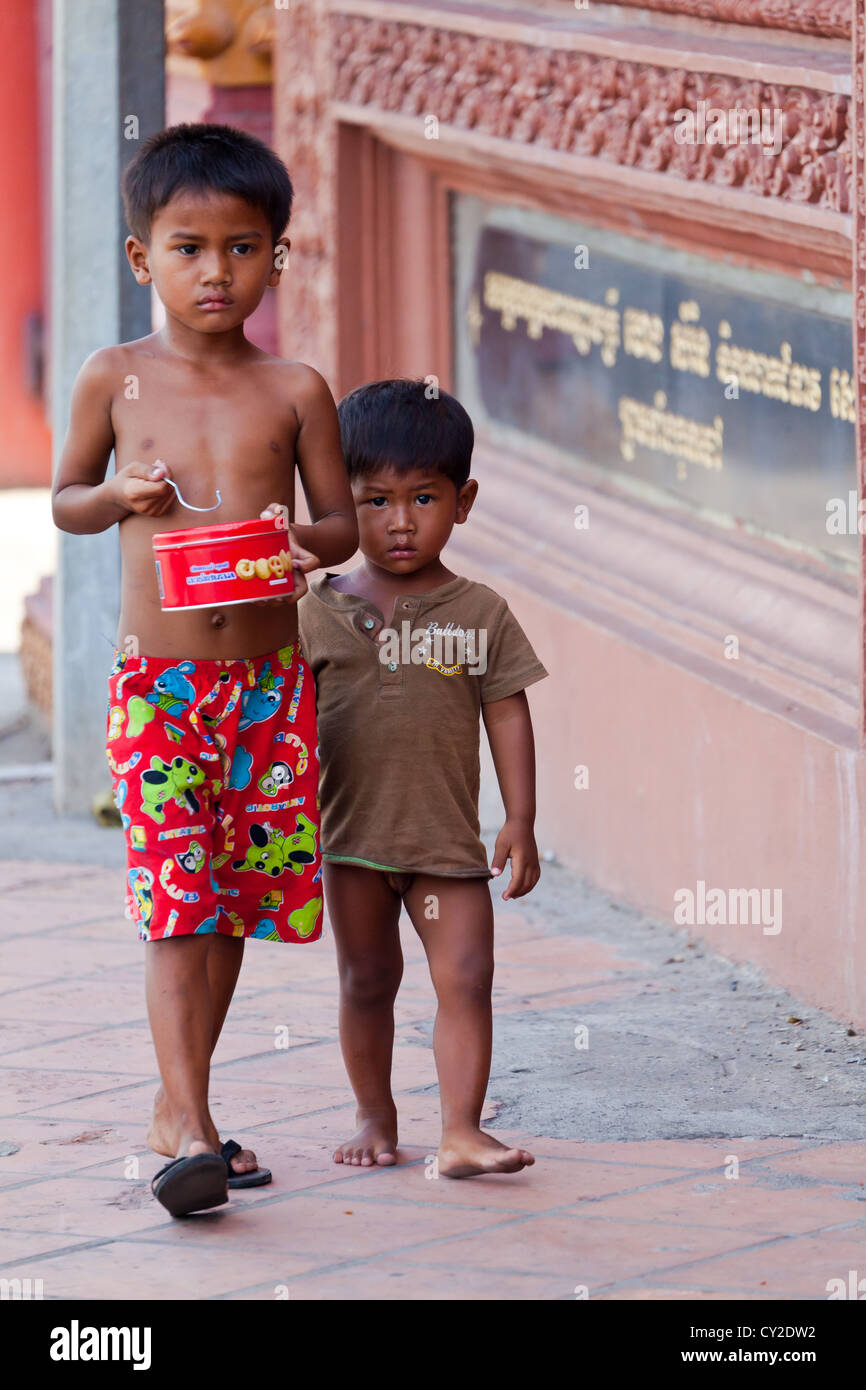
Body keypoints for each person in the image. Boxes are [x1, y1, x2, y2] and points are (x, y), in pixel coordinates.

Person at [51, 123, 358, 1216]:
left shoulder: (295, 388)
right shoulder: (114, 378)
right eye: (187, 248)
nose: (214, 272)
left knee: (226, 906)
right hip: (163, 693)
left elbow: (341, 529)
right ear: (143, 259)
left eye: (240, 248)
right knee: (177, 902)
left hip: (269, 693)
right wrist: (117, 499)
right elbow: (64, 502)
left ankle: (185, 1107)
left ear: (276, 257)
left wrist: (300, 544)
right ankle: (188, 1125)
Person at [298, 379, 548, 1177]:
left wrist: (520, 818)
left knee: (468, 978)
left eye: (424, 498)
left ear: (463, 501)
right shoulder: (315, 611)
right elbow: (285, 721)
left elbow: (507, 713)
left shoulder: (480, 612)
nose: (400, 522)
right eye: (374, 501)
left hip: (447, 844)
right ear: (343, 499)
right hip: (352, 844)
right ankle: (375, 1115)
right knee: (367, 981)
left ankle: (462, 1130)